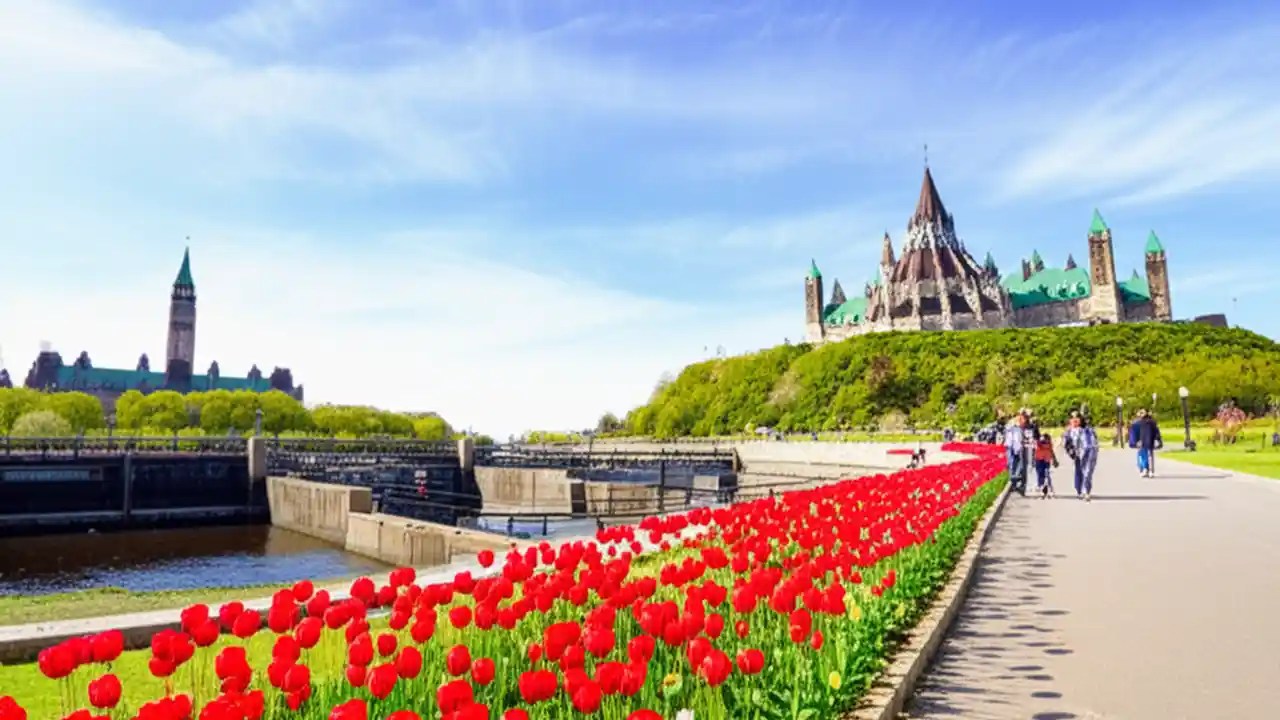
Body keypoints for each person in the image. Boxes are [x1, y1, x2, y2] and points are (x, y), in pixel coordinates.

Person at [1064, 412, 1099, 501]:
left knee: (1087, 472)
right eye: (1072, 418)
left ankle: (1086, 491)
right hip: (1077, 454)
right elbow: (1066, 443)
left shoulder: (1087, 429)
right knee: (1078, 472)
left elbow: (1094, 441)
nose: (1075, 419)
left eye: (1077, 417)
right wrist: (1071, 452)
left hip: (1088, 453)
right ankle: (1079, 490)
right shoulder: (1069, 431)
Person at [1129, 409, 1164, 478]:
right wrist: (1134, 442)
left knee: (1145, 456)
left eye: (1142, 413)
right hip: (1142, 442)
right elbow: (1133, 433)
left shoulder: (1150, 422)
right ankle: (1145, 470)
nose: (1141, 414)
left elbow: (1156, 432)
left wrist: (1158, 440)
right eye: (1140, 413)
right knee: (1143, 456)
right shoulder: (1137, 423)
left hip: (1147, 442)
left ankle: (1147, 470)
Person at [1033, 431, 1060, 498]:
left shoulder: (1049, 444)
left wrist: (1054, 460)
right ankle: (1041, 488)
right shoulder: (1039, 443)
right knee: (1040, 474)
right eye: (1045, 440)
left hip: (1046, 460)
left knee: (1047, 474)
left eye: (1048, 440)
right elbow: (1035, 447)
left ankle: (1049, 489)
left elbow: (1051, 451)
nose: (1046, 441)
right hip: (1039, 460)